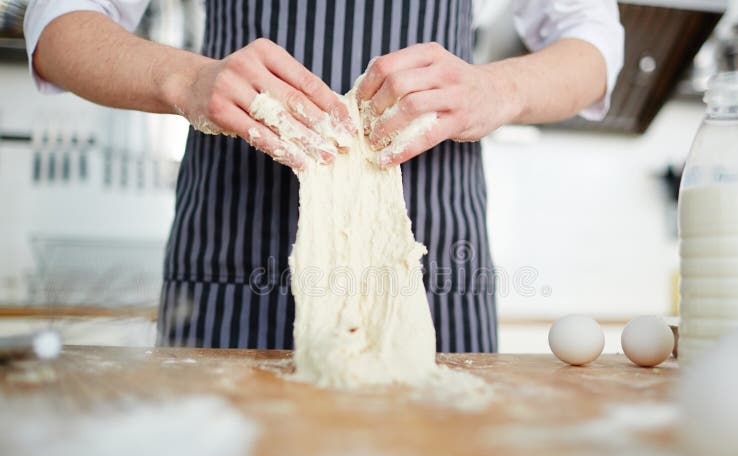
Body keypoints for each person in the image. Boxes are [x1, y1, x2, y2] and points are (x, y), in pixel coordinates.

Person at [25, 0, 624, 352]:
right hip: (232, 276)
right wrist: (186, 81)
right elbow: (57, 24)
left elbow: (594, 42)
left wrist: (501, 87)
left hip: (431, 276)